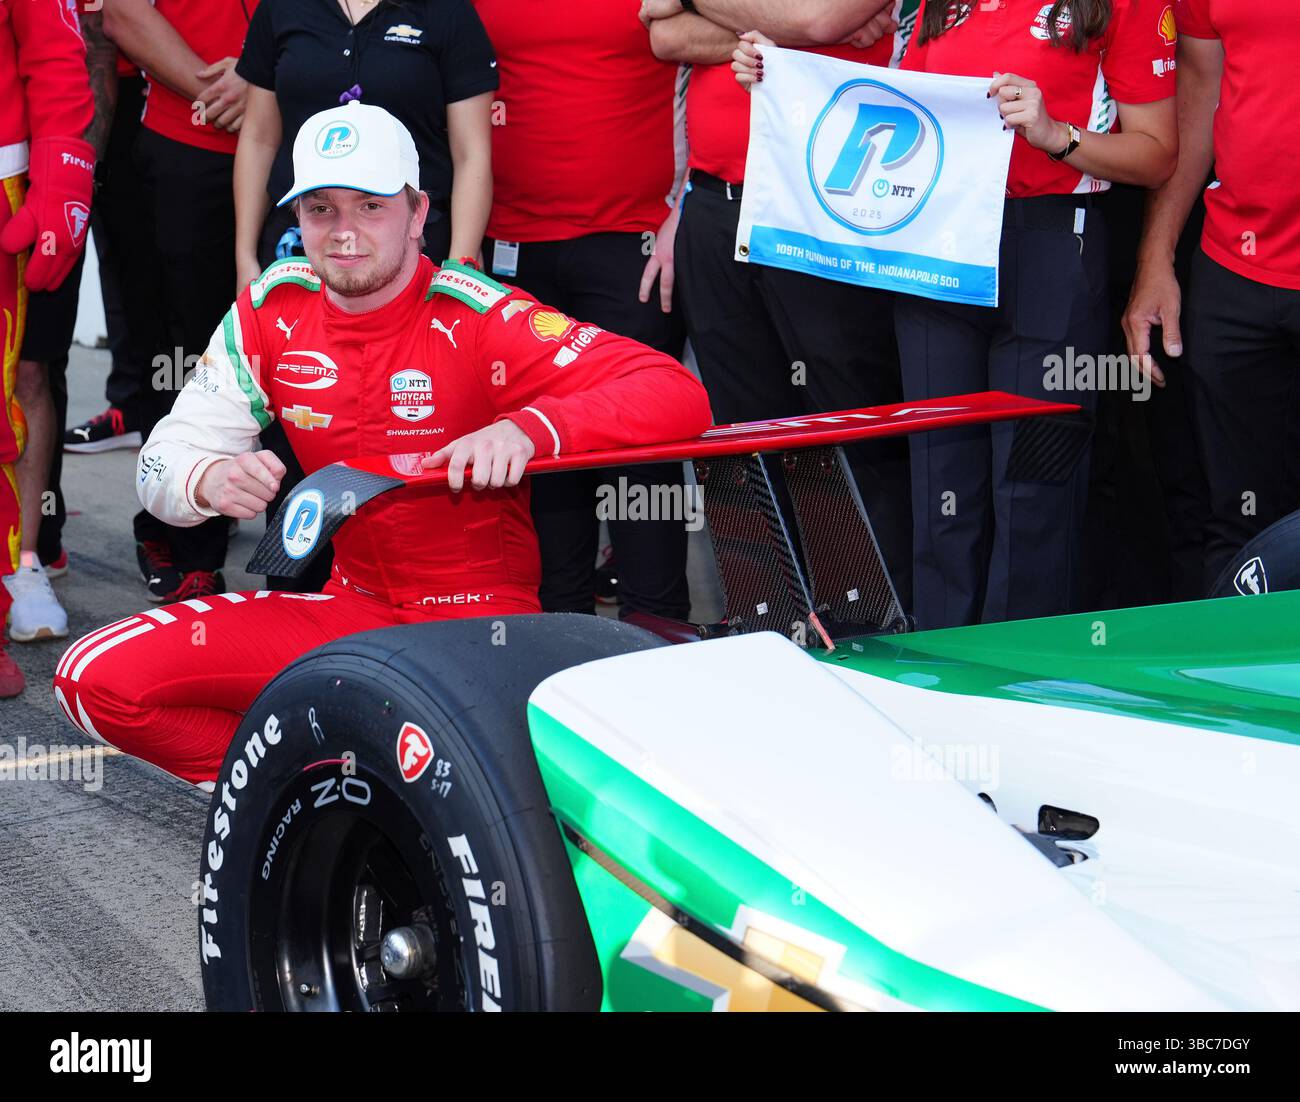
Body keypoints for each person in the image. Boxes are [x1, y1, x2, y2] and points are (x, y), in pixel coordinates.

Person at [53, 104, 711, 785]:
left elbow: (674, 392)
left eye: (371, 206)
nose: (344, 234)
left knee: (456, 776)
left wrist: (533, 427)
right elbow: (161, 459)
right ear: (297, 217)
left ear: (419, 212)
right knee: (93, 679)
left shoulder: (481, 314)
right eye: (321, 210)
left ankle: (369, 796)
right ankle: (301, 796)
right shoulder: (268, 311)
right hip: (349, 610)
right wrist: (206, 479)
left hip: (479, 630)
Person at [813, 0, 1178, 629]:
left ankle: (1022, 681)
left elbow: (1157, 153)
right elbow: (897, 107)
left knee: (1035, 488)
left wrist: (1056, 135)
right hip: (939, 242)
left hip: (1052, 242)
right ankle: (942, 670)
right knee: (941, 483)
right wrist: (776, 76)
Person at [645, 0, 918, 609]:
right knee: (744, 435)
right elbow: (663, 34)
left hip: (825, 206)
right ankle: (769, 618)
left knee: (850, 423)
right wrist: (785, 26)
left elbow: (819, 20)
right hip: (715, 204)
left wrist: (787, 26)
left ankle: (871, 618)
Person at [233, 0, 497, 594]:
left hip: (410, 268)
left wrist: (459, 266)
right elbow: (257, 136)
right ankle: (293, 606)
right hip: (300, 259)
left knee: (406, 432)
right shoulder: (282, 10)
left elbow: (472, 151)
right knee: (297, 434)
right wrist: (244, 253)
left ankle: (405, 602)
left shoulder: (447, 13)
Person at [473, 0, 693, 622]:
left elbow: (733, 49)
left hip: (636, 241)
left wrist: (689, 204)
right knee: (536, 440)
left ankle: (656, 627)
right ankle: (557, 629)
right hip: (512, 244)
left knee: (642, 438)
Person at [1124, 0, 1300, 591]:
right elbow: (1200, 92)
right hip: (1235, 270)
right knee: (1239, 521)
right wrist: (1156, 256)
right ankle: (1236, 681)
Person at [104, 0, 260, 604]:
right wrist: (230, 91)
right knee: (182, 354)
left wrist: (265, 84)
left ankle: (311, 558)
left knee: (307, 352)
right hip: (185, 143)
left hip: (298, 154)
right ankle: (182, 533)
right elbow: (121, 12)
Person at [5, 4, 117, 646]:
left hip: (21, 185)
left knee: (26, 372)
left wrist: (67, 177)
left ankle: (24, 565)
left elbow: (71, 54)